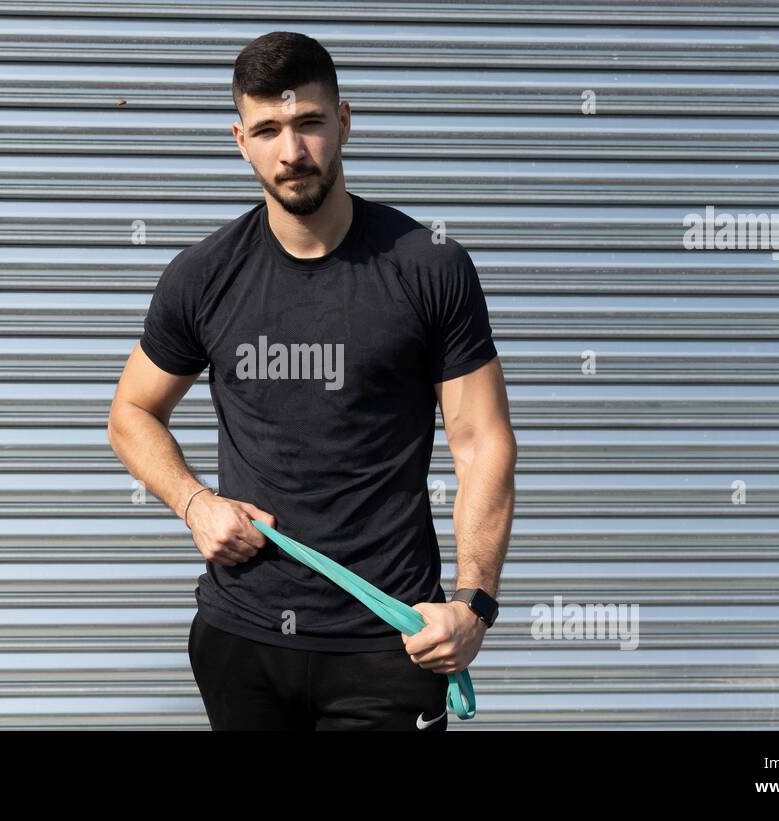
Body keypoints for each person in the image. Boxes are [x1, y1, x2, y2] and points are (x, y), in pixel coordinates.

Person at [107, 31, 516, 730]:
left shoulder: (429, 267)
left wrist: (474, 603)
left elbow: (481, 443)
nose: (291, 152)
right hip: (242, 639)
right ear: (240, 139)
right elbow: (132, 412)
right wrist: (194, 501)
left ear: (345, 121)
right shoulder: (201, 277)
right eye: (267, 129)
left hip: (388, 641)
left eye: (308, 124)